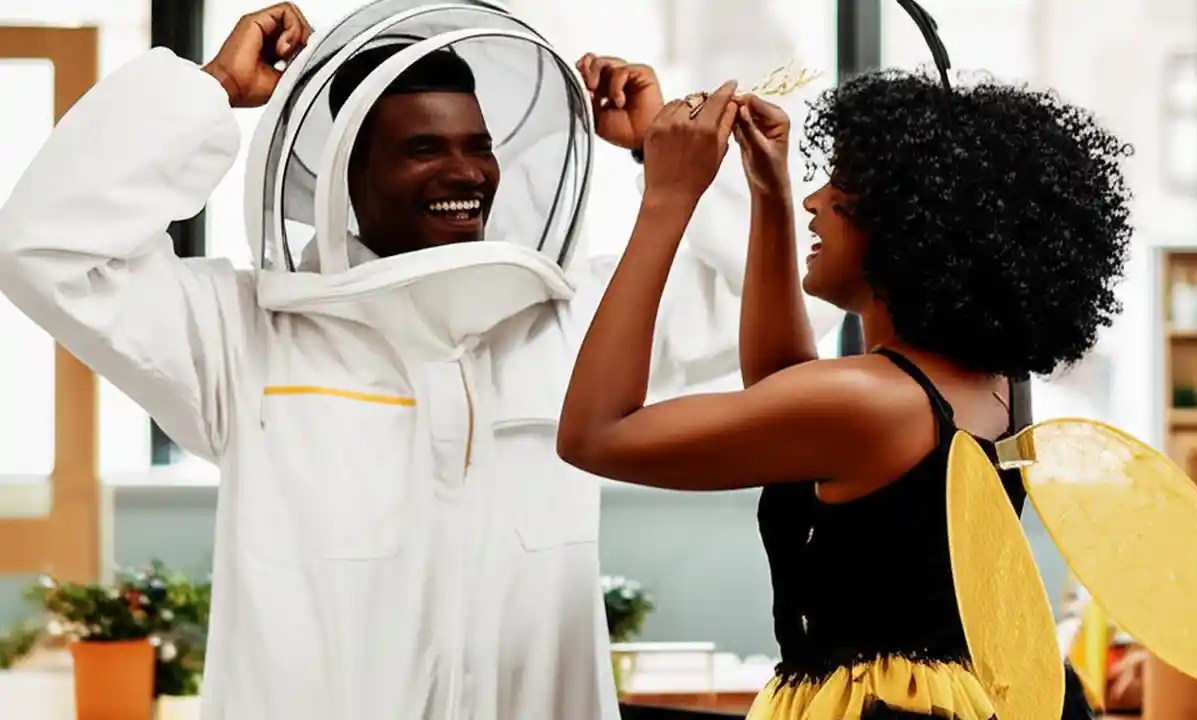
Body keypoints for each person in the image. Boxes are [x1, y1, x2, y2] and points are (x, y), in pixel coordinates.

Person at [0, 4, 833, 718]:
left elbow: (772, 300)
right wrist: (210, 92)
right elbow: (45, 250)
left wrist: (657, 155)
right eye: (423, 149)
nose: (465, 172)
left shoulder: (568, 319)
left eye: (478, 144)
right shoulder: (242, 329)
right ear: (345, 174)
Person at [556, 67, 1132, 717]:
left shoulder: (872, 401)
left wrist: (668, 198)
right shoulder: (983, 385)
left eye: (842, 187)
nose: (815, 201)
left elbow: (594, 434)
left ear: (908, 225)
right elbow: (784, 393)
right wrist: (766, 187)